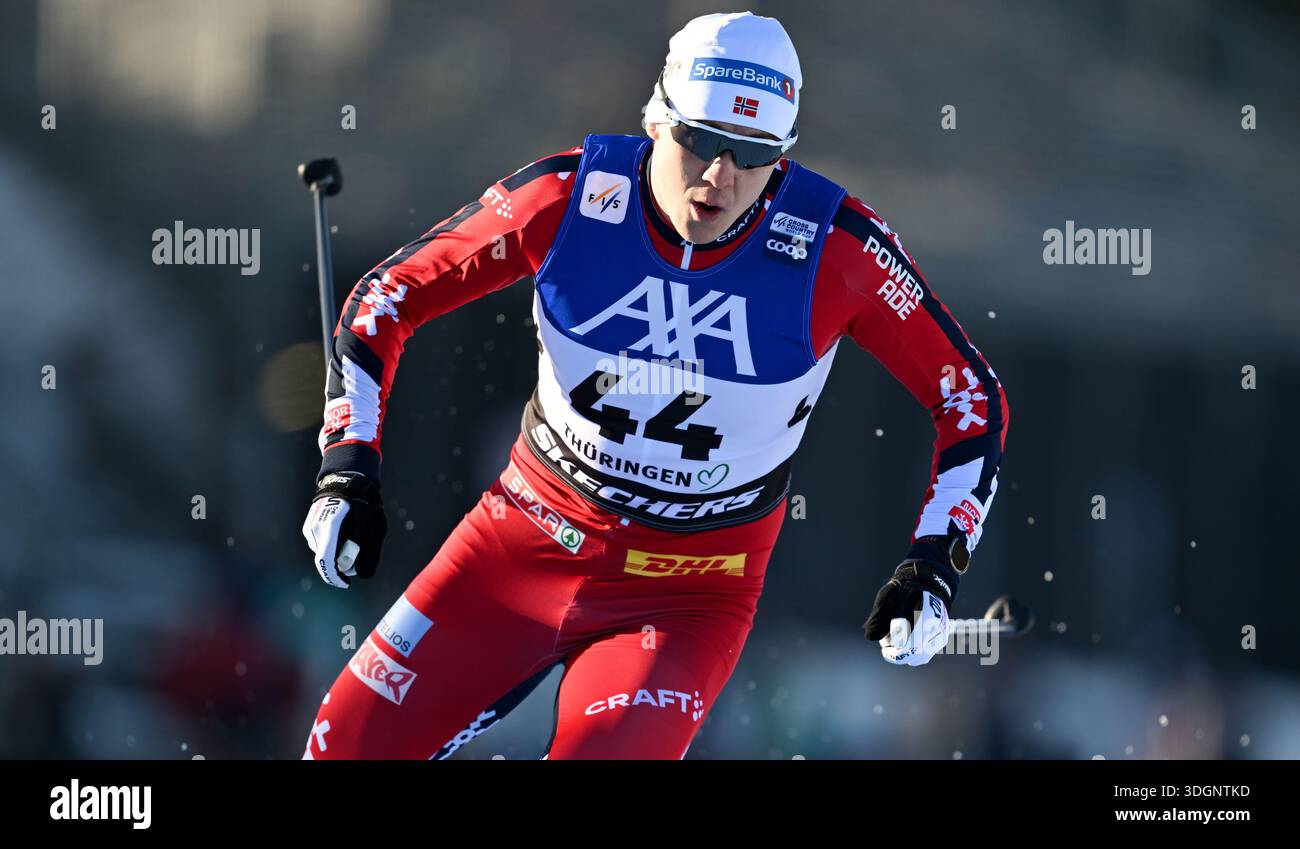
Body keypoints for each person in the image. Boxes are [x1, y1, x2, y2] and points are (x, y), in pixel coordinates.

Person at [301, 11, 1008, 760]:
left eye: (753, 153)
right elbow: (386, 299)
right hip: (518, 546)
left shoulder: (838, 250)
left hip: (686, 591)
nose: (720, 178)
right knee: (343, 747)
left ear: (785, 156)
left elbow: (971, 397)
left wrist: (934, 562)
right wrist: (348, 467)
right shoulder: (565, 199)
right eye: (699, 141)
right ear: (655, 119)